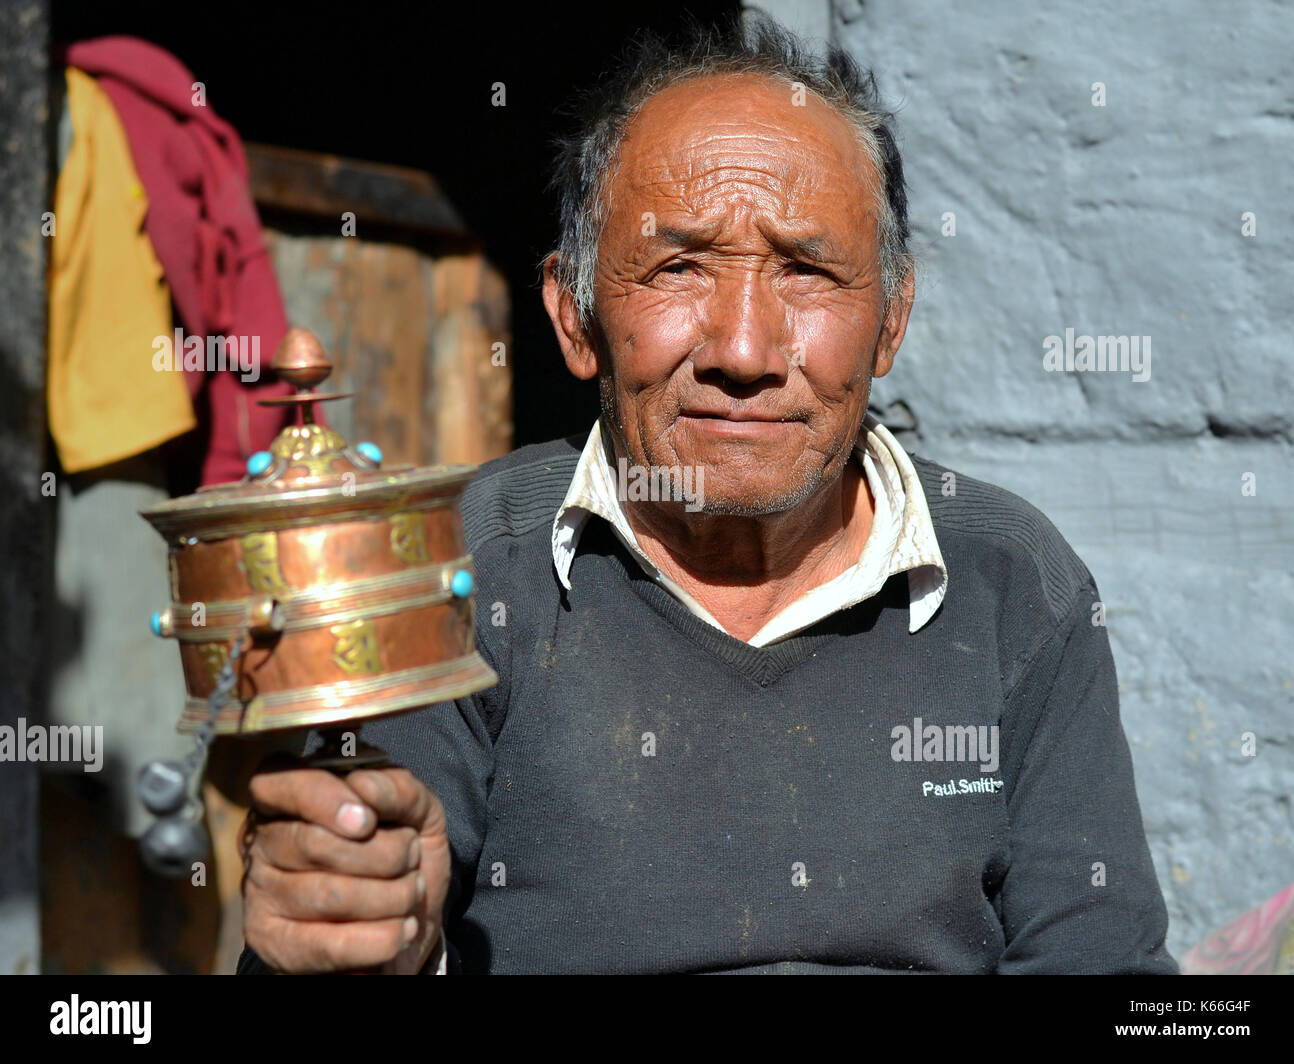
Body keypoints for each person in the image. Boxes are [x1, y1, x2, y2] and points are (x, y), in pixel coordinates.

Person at [236, 14, 1178, 975]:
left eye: (807, 272)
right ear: (575, 315)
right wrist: (360, 936)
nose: (743, 352)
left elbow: (1101, 963)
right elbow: (354, 918)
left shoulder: (1014, 581)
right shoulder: (457, 563)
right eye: (678, 267)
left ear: (890, 321)